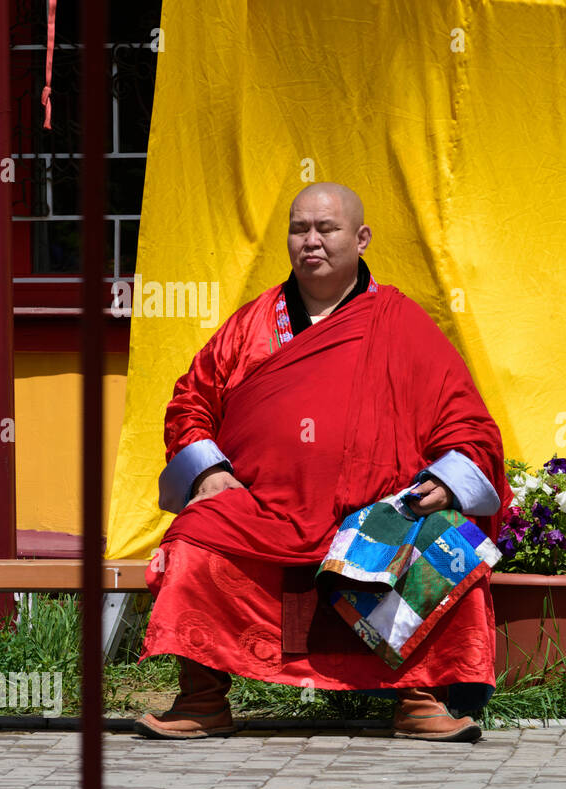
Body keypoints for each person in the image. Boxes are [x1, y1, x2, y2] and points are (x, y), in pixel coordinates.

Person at [134, 182, 509, 743]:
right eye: (299, 228)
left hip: (376, 512)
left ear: (361, 239)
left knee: (444, 537)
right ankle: (202, 699)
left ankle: (420, 698)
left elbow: (467, 421)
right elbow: (192, 400)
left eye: (326, 229)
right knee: (195, 536)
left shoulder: (401, 324)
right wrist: (210, 473)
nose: (310, 241)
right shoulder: (252, 326)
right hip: (263, 511)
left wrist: (447, 481)